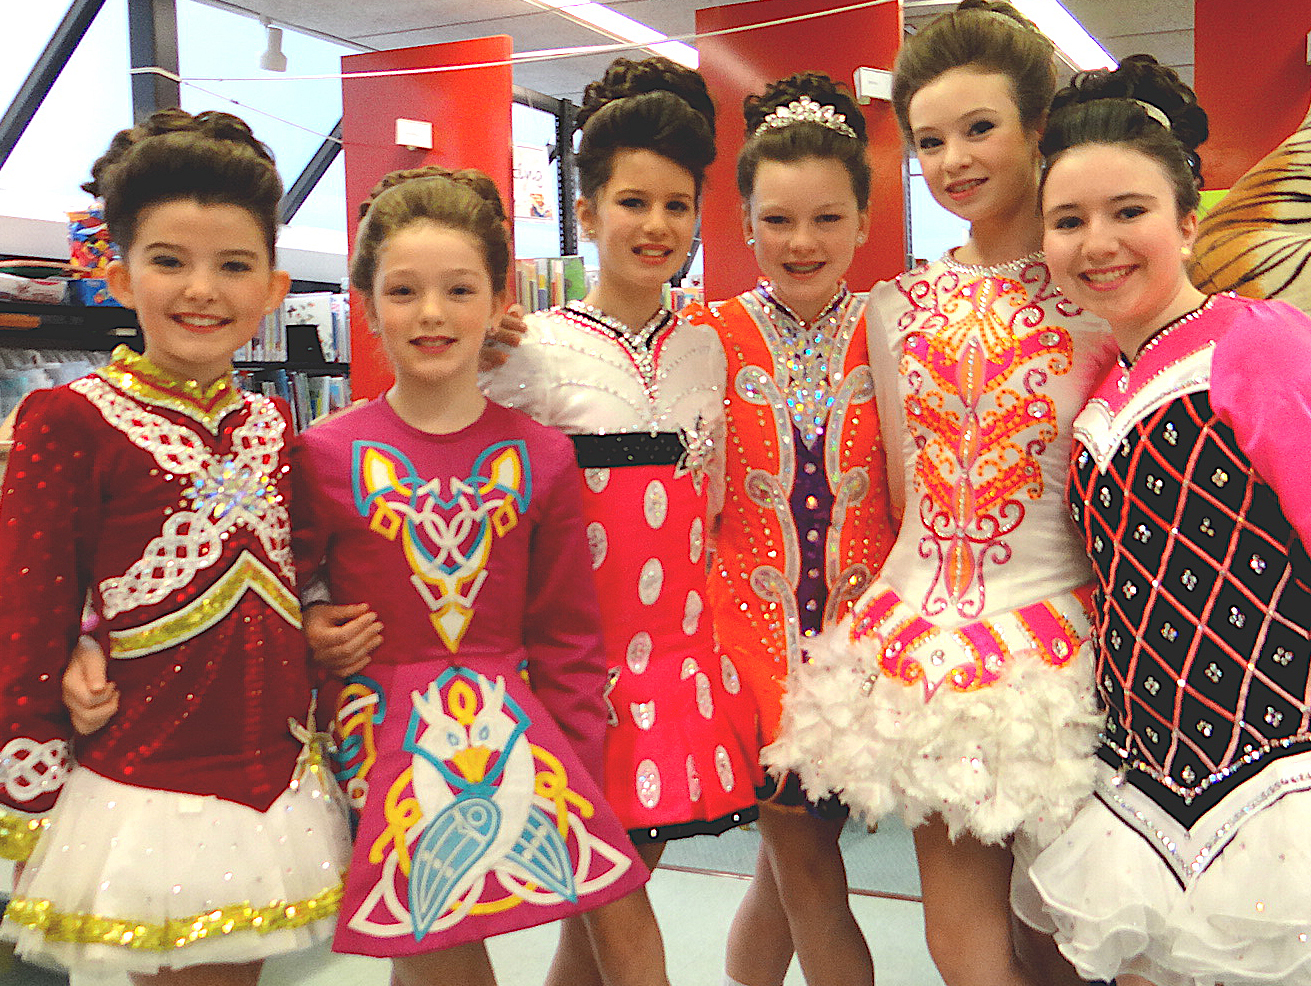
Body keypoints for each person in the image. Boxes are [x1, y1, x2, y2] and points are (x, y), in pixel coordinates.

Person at [305, 56, 761, 986]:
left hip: (657, 674)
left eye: (678, 205)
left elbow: (710, 507)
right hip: (529, 686)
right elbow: (413, 455)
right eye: (632, 202)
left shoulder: (709, 347)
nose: (657, 226)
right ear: (586, 214)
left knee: (592, 922)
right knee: (551, 921)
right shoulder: (524, 357)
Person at [763, 5, 1116, 986]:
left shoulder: (1104, 291)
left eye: (978, 128)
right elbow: (903, 485)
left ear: (1040, 125)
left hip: (1070, 656)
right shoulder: (895, 305)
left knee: (1075, 931)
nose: (953, 158)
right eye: (929, 139)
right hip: (918, 648)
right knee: (960, 937)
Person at [0, 109, 351, 984]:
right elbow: (31, 596)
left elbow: (299, 561)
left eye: (234, 266)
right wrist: (33, 769)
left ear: (274, 287)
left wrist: (320, 624)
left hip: (273, 765)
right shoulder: (71, 417)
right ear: (116, 272)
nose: (203, 289)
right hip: (145, 770)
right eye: (169, 262)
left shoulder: (272, 422)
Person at [292, 166, 651, 986]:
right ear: (369, 303)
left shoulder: (541, 454)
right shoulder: (321, 455)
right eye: (403, 291)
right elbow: (282, 589)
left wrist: (581, 769)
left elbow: (565, 632)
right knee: (438, 947)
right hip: (381, 738)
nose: (429, 314)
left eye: (458, 290)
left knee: (625, 919)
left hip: (525, 727)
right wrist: (312, 631)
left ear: (498, 301)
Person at [1015, 54, 1311, 986]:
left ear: (1189, 220)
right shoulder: (1099, 382)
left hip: (1276, 779)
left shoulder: (1257, 342)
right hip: (1139, 787)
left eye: (1127, 211)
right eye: (1069, 221)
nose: (1097, 241)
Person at [682, 72, 894, 986]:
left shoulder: (897, 325)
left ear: (862, 220)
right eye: (776, 220)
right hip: (751, 653)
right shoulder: (704, 334)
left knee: (785, 874)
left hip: (870, 653)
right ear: (743, 223)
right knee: (811, 875)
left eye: (825, 219)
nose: (800, 242)